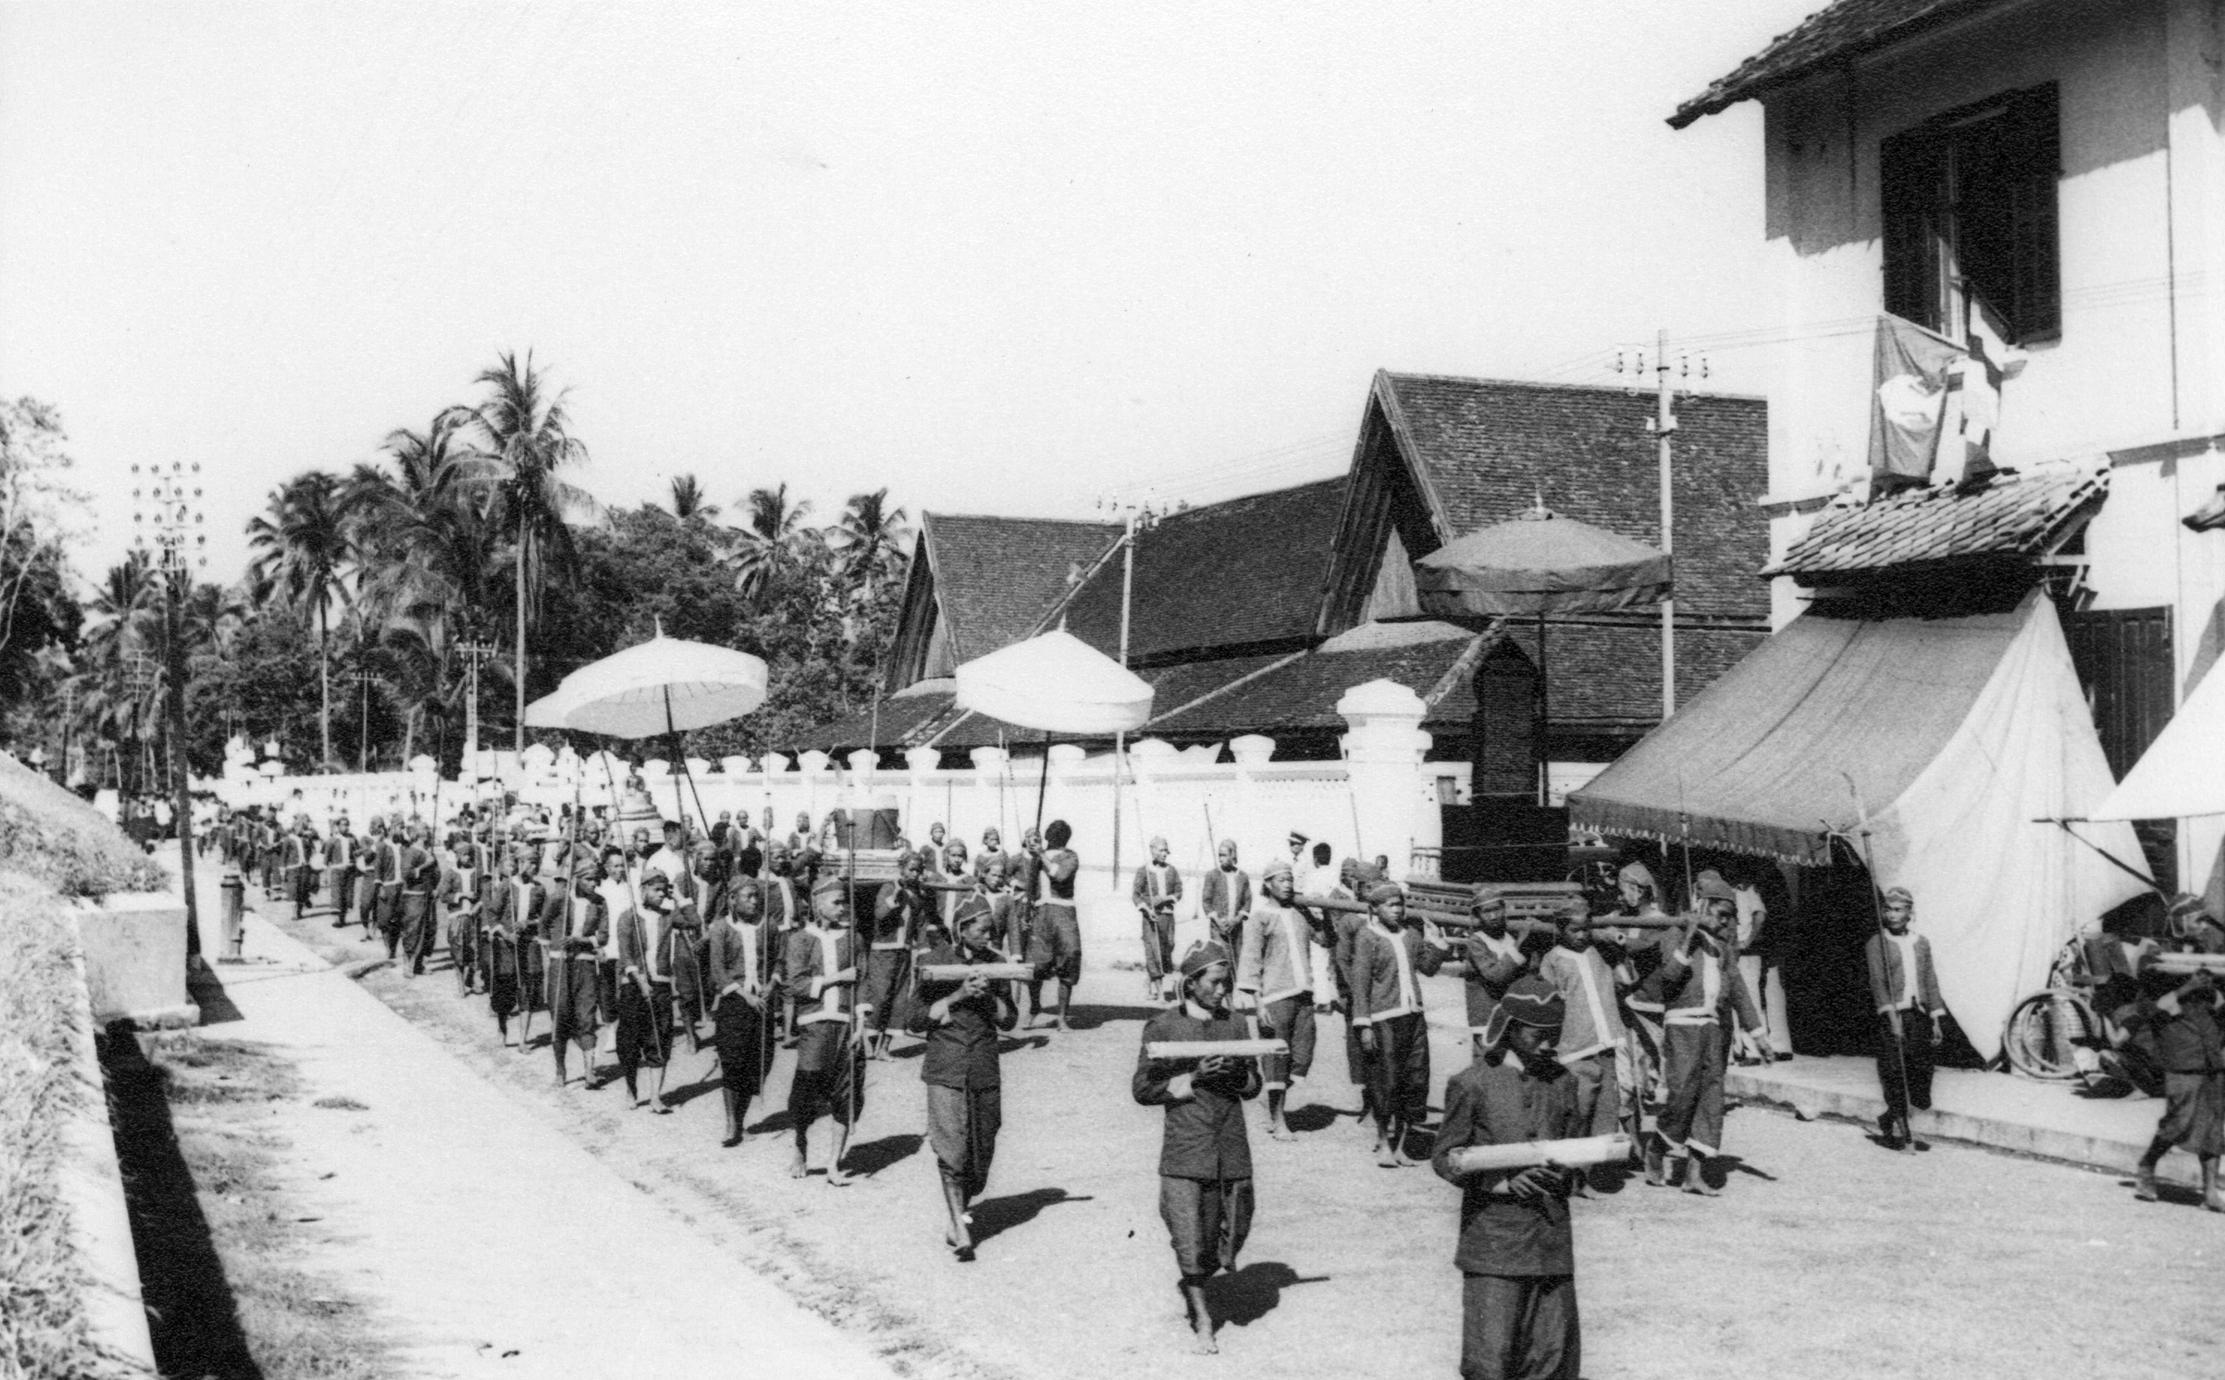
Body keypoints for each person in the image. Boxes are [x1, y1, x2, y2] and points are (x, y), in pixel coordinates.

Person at [1432, 975, 1583, 1380]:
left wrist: (1571, 1168)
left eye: (1555, 1033)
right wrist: (1500, 1182)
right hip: (1494, 1244)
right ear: (1512, 1027)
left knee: (1553, 1355)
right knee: (1490, 1358)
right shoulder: (1472, 1083)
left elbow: (1575, 1146)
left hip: (1550, 1240)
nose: (1548, 1043)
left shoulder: (1564, 1082)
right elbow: (1445, 1156)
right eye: (1539, 1033)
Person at [1133, 941, 1261, 1355]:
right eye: (1215, 983)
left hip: (1230, 1141)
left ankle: (1199, 1278)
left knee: (1234, 1225)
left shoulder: (1237, 1024)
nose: (1223, 990)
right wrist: (1195, 1076)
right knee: (1191, 1234)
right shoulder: (1163, 1027)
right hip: (1187, 1146)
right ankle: (1203, 1316)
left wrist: (1237, 1075)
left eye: (1227, 983)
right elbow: (1143, 1089)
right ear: (1191, 984)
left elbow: (1254, 1084)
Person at [914, 895, 1021, 1260]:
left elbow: (1010, 1020)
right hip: (946, 1066)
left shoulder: (998, 964)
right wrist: (959, 994)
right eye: (982, 930)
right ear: (961, 929)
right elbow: (914, 1019)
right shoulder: (933, 962)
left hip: (983, 1066)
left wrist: (989, 999)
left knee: (980, 1153)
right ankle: (959, 1226)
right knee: (952, 1150)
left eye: (991, 930)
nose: (989, 937)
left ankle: (959, 1208)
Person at [1646, 875, 1763, 1193]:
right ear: (1702, 905)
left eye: (1729, 916)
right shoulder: (1675, 932)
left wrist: (1757, 1032)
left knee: (1711, 1098)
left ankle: (1693, 1175)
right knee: (1682, 1094)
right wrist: (1689, 937)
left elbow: (1737, 988)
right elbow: (1669, 979)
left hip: (1714, 1028)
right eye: (1720, 914)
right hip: (1683, 1025)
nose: (1724, 922)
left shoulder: (1724, 946)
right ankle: (1658, 1146)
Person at [2125, 894, 2225, 1207]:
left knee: (2214, 1121)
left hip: (2209, 1044)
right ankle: (2146, 1166)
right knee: (2179, 1120)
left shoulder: (2205, 954)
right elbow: (2151, 1009)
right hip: (2179, 1047)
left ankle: (2210, 1191)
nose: (2202, 925)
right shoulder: (2156, 956)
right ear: (2180, 920)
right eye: (2196, 919)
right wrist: (2189, 987)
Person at [1349, 880, 1452, 1166]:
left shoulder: (1411, 935)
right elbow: (1360, 984)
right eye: (1390, 905)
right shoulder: (1367, 937)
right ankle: (1384, 1142)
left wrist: (1437, 944)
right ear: (1374, 909)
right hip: (1384, 1020)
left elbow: (1428, 968)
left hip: (1413, 1017)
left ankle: (1402, 1146)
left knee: (1415, 1080)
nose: (1397, 910)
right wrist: (1364, 1025)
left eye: (1400, 904)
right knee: (1387, 1082)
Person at [1236, 857, 1332, 1140]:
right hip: (1275, 997)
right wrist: (1259, 1004)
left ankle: (1272, 1104)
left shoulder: (1301, 914)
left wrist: (1324, 910)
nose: (1288, 885)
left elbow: (1325, 939)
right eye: (1282, 880)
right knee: (1277, 1059)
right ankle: (1279, 1121)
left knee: (1301, 1057)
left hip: (1304, 995)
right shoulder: (1260, 917)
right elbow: (1251, 960)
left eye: (1290, 880)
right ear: (1268, 885)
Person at [1538, 905, 1627, 1190]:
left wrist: (1605, 937)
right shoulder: (1552, 960)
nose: (1580, 935)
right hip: (1574, 1047)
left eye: (1585, 929)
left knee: (1606, 1110)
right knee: (1579, 1110)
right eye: (1573, 930)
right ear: (1559, 931)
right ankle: (1570, 1176)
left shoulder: (1600, 952)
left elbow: (1624, 978)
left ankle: (1590, 1174)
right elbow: (1547, 1006)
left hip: (1606, 1041)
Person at [785, 875, 865, 1184]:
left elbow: (862, 980)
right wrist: (836, 978)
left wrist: (861, 1024)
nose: (843, 907)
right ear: (818, 906)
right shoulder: (800, 939)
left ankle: (833, 1163)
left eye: (845, 901)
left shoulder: (853, 938)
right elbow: (796, 984)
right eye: (837, 902)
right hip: (815, 1025)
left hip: (846, 1025)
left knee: (848, 1091)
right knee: (808, 1087)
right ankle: (800, 1145)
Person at [1863, 885, 1946, 1151]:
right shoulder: (1877, 944)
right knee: (1894, 1071)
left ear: (1910, 913)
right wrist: (1891, 1016)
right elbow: (1878, 982)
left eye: (1898, 910)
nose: (1892, 915)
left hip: (1918, 1015)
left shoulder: (1921, 943)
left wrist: (1935, 1017)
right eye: (1888, 909)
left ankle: (1888, 1117)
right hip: (1892, 1015)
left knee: (1920, 1071)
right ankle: (1903, 1130)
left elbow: (1930, 980)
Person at [708, 878, 779, 1146]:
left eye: (756, 896)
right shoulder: (721, 929)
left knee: (759, 1062)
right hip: (735, 1002)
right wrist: (743, 994)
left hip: (762, 1001)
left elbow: (779, 958)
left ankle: (741, 1117)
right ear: (733, 899)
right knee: (733, 1060)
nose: (754, 901)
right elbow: (718, 970)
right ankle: (731, 1123)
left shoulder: (768, 925)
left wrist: (771, 984)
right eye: (748, 896)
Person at [543, 851, 609, 1090]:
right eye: (588, 880)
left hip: (585, 965)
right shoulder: (559, 898)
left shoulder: (600, 903)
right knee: (560, 1016)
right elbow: (544, 925)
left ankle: (589, 1072)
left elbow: (603, 936)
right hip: (560, 964)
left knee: (587, 1016)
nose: (593, 884)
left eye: (596, 880)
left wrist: (581, 940)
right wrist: (550, 951)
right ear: (577, 879)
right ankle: (561, 1069)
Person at [612, 869, 675, 1113]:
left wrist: (678, 896)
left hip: (660, 985)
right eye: (656, 890)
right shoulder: (628, 917)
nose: (661, 895)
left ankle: (655, 1097)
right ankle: (631, 1088)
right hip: (633, 986)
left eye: (663, 890)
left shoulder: (668, 917)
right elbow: (626, 955)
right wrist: (640, 982)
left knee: (659, 1038)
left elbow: (694, 921)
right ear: (643, 890)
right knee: (629, 1041)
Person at [864, 849, 930, 1059]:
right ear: (901, 869)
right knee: (880, 997)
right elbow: (880, 914)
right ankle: (869, 1043)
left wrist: (921, 952)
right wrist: (896, 895)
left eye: (918, 871)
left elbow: (920, 925)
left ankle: (884, 1048)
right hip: (883, 952)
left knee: (900, 1000)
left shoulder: (918, 895)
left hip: (904, 953)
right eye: (911, 870)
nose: (915, 874)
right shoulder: (888, 887)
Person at [1027, 820, 1083, 1031]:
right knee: (1037, 963)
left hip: (1063, 912)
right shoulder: (1034, 858)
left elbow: (1060, 875)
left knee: (1070, 956)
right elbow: (1030, 887)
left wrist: (1040, 855)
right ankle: (1034, 1009)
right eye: (1054, 832)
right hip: (1041, 913)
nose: (1057, 836)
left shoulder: (1070, 856)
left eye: (1062, 834)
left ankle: (1061, 1017)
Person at [1458, 889, 1530, 1050]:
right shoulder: (1476, 942)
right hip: (1486, 1019)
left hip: (1513, 1015)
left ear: (1504, 910)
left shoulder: (1510, 936)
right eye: (1486, 912)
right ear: (1478, 916)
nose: (1493, 916)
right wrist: (1518, 946)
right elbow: (1495, 975)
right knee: (1492, 1068)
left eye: (1497, 909)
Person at [1732, 864, 1791, 1060]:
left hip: (1754, 948)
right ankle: (1779, 1047)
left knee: (1750, 997)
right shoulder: (1772, 881)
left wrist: (1747, 940)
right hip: (1768, 943)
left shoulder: (1746, 889)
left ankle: (1754, 1049)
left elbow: (1760, 915)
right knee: (1770, 995)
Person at [1133, 835, 1182, 1003]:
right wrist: (1147, 908)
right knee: (1154, 952)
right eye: (1161, 850)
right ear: (1152, 850)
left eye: (1166, 851)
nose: (1164, 854)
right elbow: (1136, 895)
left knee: (1167, 947)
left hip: (1167, 916)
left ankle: (1150, 979)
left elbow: (1178, 891)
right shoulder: (1143, 871)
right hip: (1151, 917)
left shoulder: (1172, 870)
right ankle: (1161, 993)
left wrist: (1166, 898)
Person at [1200, 839, 1252, 953]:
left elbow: (1247, 901)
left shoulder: (1243, 877)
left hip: (1237, 928)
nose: (1220, 859)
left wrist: (1236, 920)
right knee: (1222, 959)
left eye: (1224, 855)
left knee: (1237, 960)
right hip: (1218, 928)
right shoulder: (1212, 875)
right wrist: (1218, 921)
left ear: (1233, 855)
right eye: (1219, 855)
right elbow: (1206, 901)